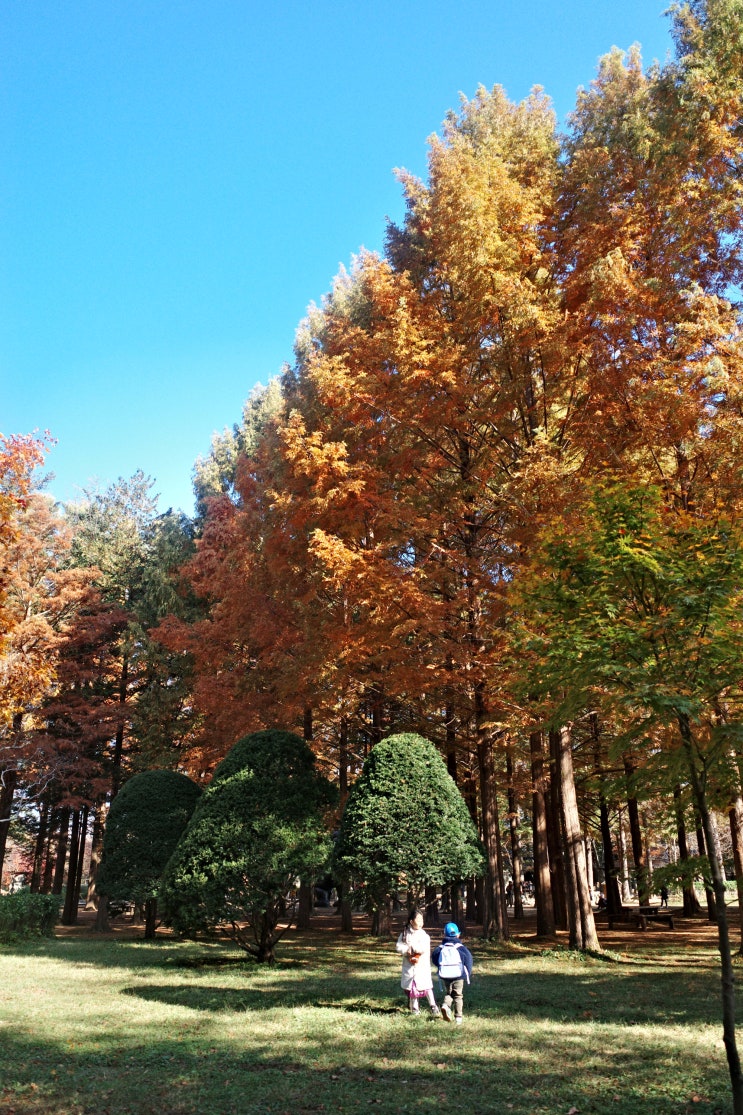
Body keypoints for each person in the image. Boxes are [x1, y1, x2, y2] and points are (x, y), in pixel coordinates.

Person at [396, 909, 441, 1017]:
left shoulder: (424, 935)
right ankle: (414, 1008)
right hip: (410, 966)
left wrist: (414, 948)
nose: (421, 922)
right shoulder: (405, 934)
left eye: (422, 920)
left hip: (422, 966)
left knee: (426, 987)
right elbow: (399, 946)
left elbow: (424, 948)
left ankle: (433, 1006)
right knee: (413, 988)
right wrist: (406, 950)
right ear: (411, 921)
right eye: (418, 920)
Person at [432, 921, 473, 1026]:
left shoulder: (440, 948)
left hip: (445, 975)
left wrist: (440, 966)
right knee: (458, 995)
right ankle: (458, 1018)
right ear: (458, 934)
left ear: (444, 934)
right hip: (458, 975)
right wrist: (467, 972)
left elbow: (434, 958)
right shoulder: (460, 947)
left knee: (449, 993)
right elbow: (468, 959)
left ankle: (446, 1005)